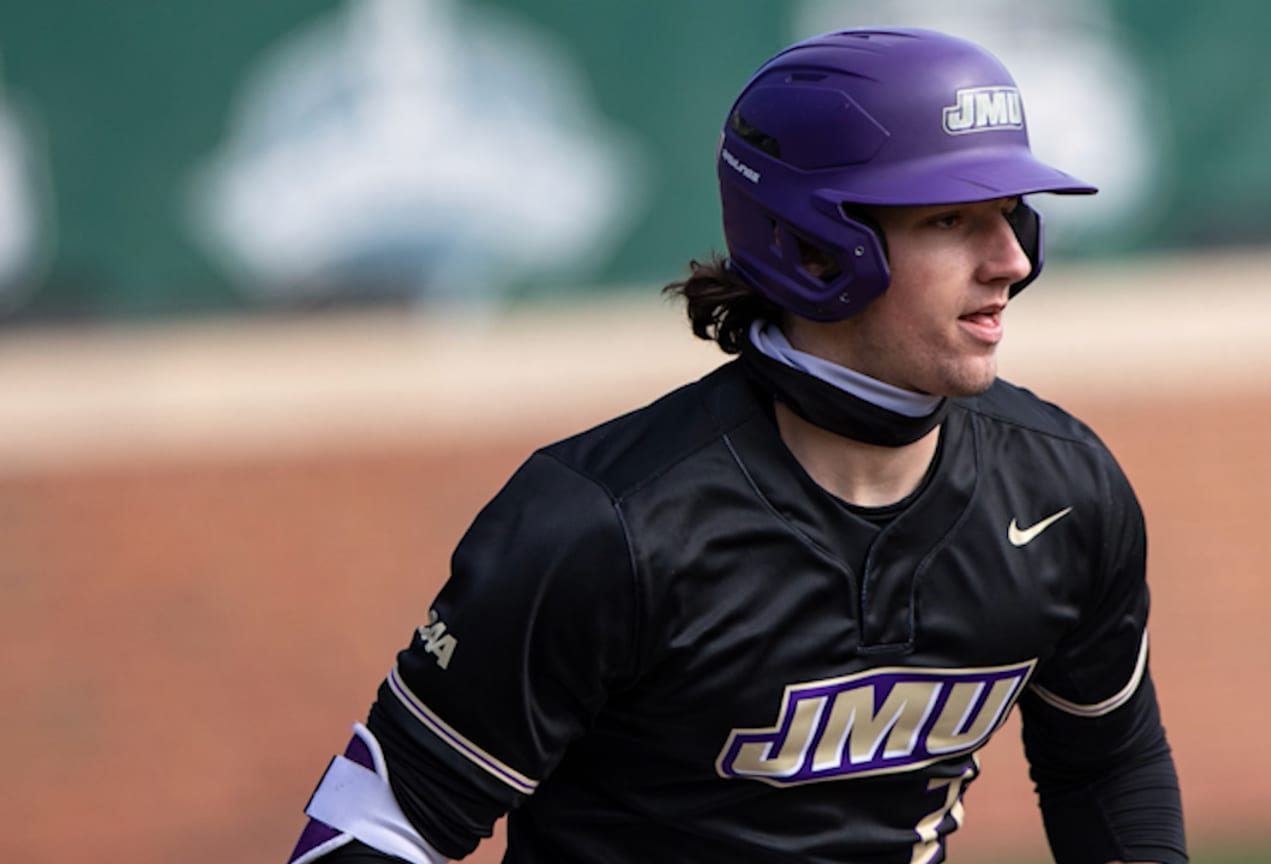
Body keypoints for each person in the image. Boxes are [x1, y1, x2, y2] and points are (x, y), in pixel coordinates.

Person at [288, 27, 1187, 864]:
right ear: (817, 248)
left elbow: (1106, 769)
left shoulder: (1063, 495)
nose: (1011, 260)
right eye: (950, 220)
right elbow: (382, 823)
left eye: (1011, 214)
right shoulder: (605, 528)